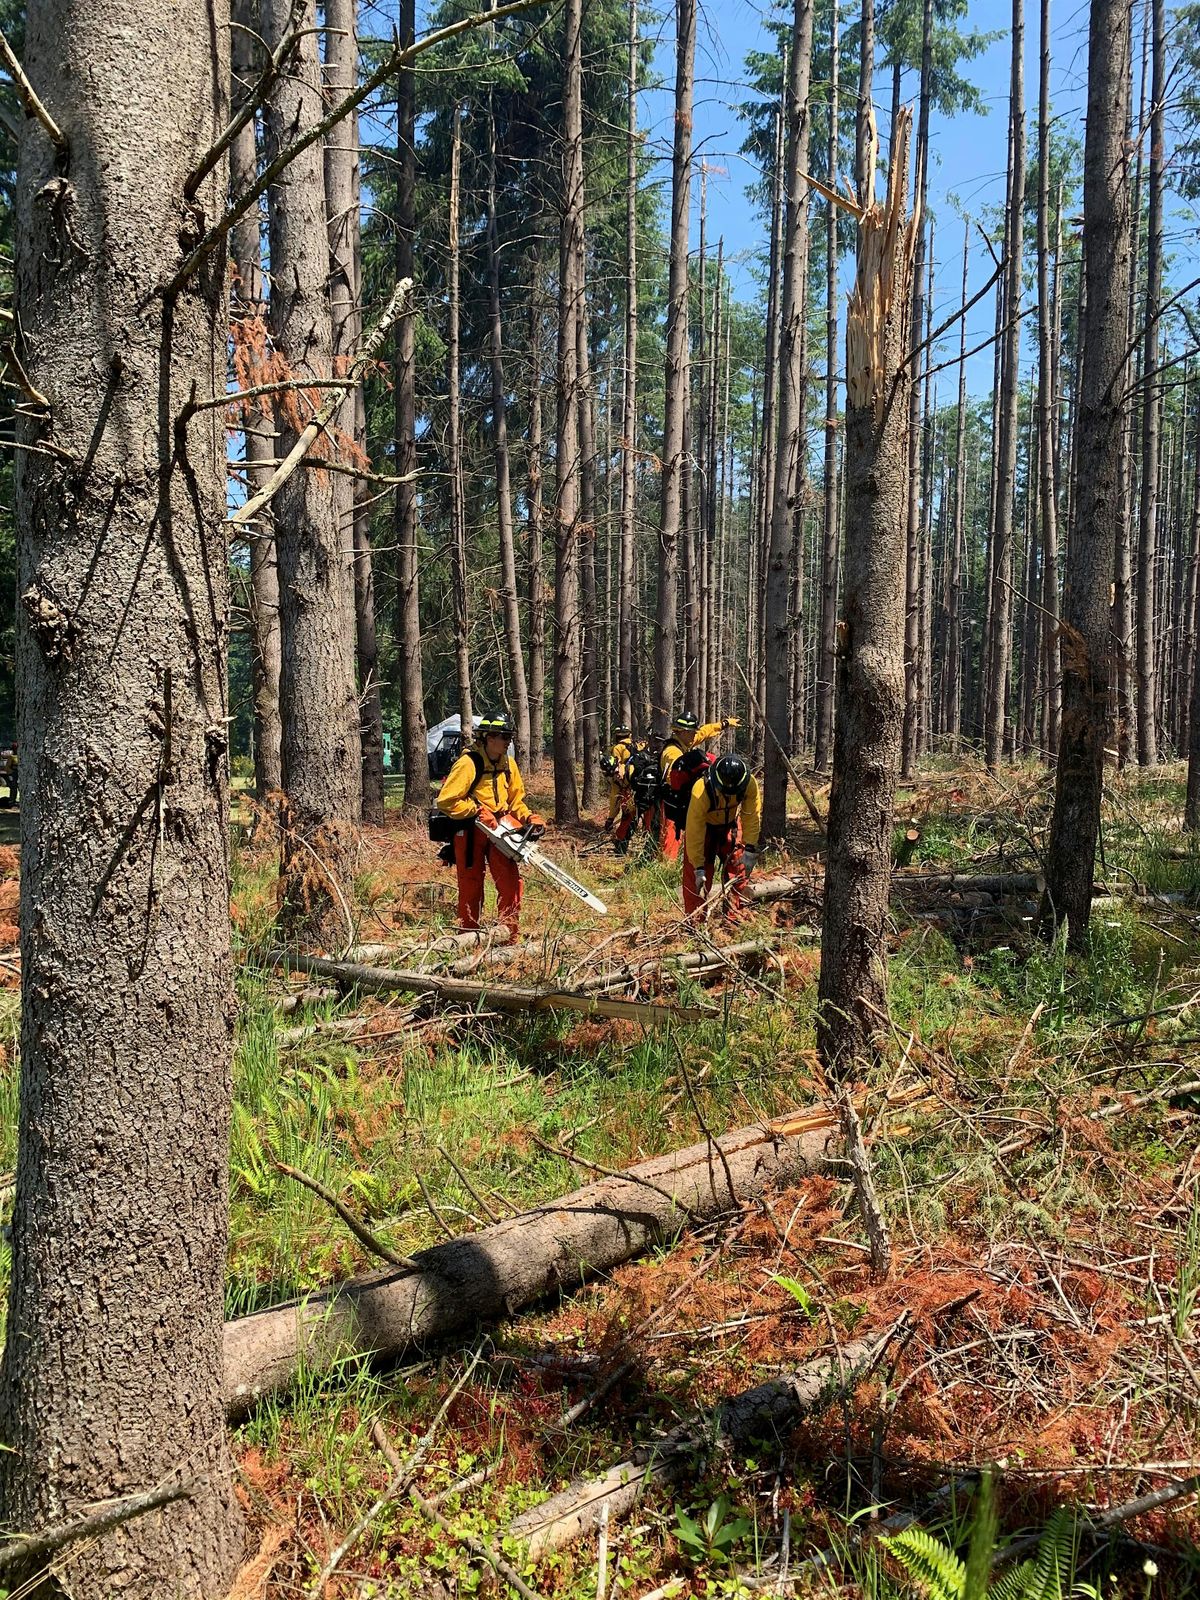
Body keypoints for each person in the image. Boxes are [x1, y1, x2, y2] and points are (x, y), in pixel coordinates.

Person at [435, 711, 545, 934]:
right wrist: (475, 811)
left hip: (500, 829)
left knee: (510, 883)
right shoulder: (468, 763)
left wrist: (528, 817)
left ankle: (509, 934)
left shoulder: (509, 764)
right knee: (471, 884)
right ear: (488, 737)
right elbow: (446, 800)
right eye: (504, 737)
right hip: (470, 830)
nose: (508, 742)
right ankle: (468, 936)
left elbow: (515, 800)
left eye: (509, 737)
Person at [682, 753, 761, 919]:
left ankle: (734, 918)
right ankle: (695, 921)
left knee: (738, 871)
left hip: (729, 826)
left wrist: (750, 848)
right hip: (705, 831)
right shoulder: (701, 790)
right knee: (695, 881)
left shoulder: (749, 783)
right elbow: (694, 829)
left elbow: (752, 815)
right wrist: (698, 866)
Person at [658, 711, 737, 861]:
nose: (695, 734)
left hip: (683, 799)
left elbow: (703, 732)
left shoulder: (684, 742)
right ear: (683, 732)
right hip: (673, 800)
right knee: (671, 835)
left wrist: (723, 724)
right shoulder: (672, 752)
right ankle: (667, 865)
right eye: (692, 732)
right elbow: (674, 778)